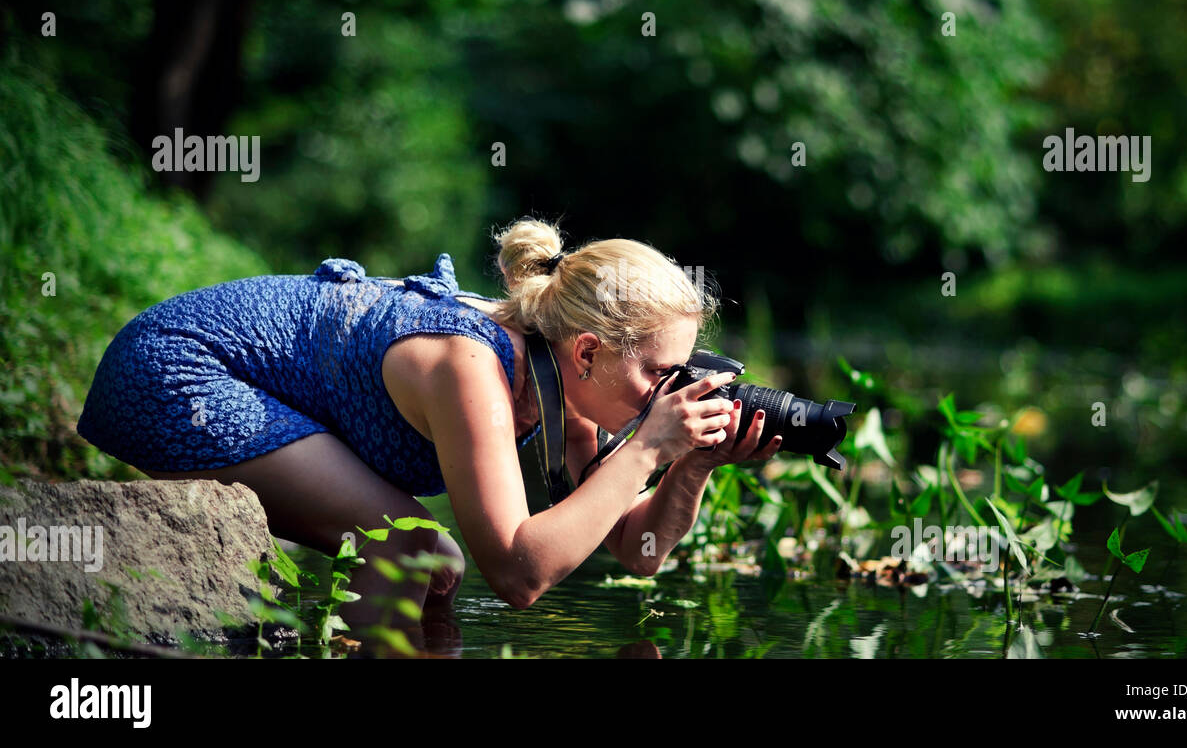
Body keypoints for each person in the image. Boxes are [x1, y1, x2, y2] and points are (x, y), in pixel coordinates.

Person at [76, 217, 782, 650]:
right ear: (589, 352)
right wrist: (650, 447)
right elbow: (518, 574)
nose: (667, 391)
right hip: (175, 371)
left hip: (219, 376)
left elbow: (637, 548)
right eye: (659, 373)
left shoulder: (571, 385)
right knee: (416, 550)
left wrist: (690, 464)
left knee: (435, 565)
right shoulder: (471, 365)